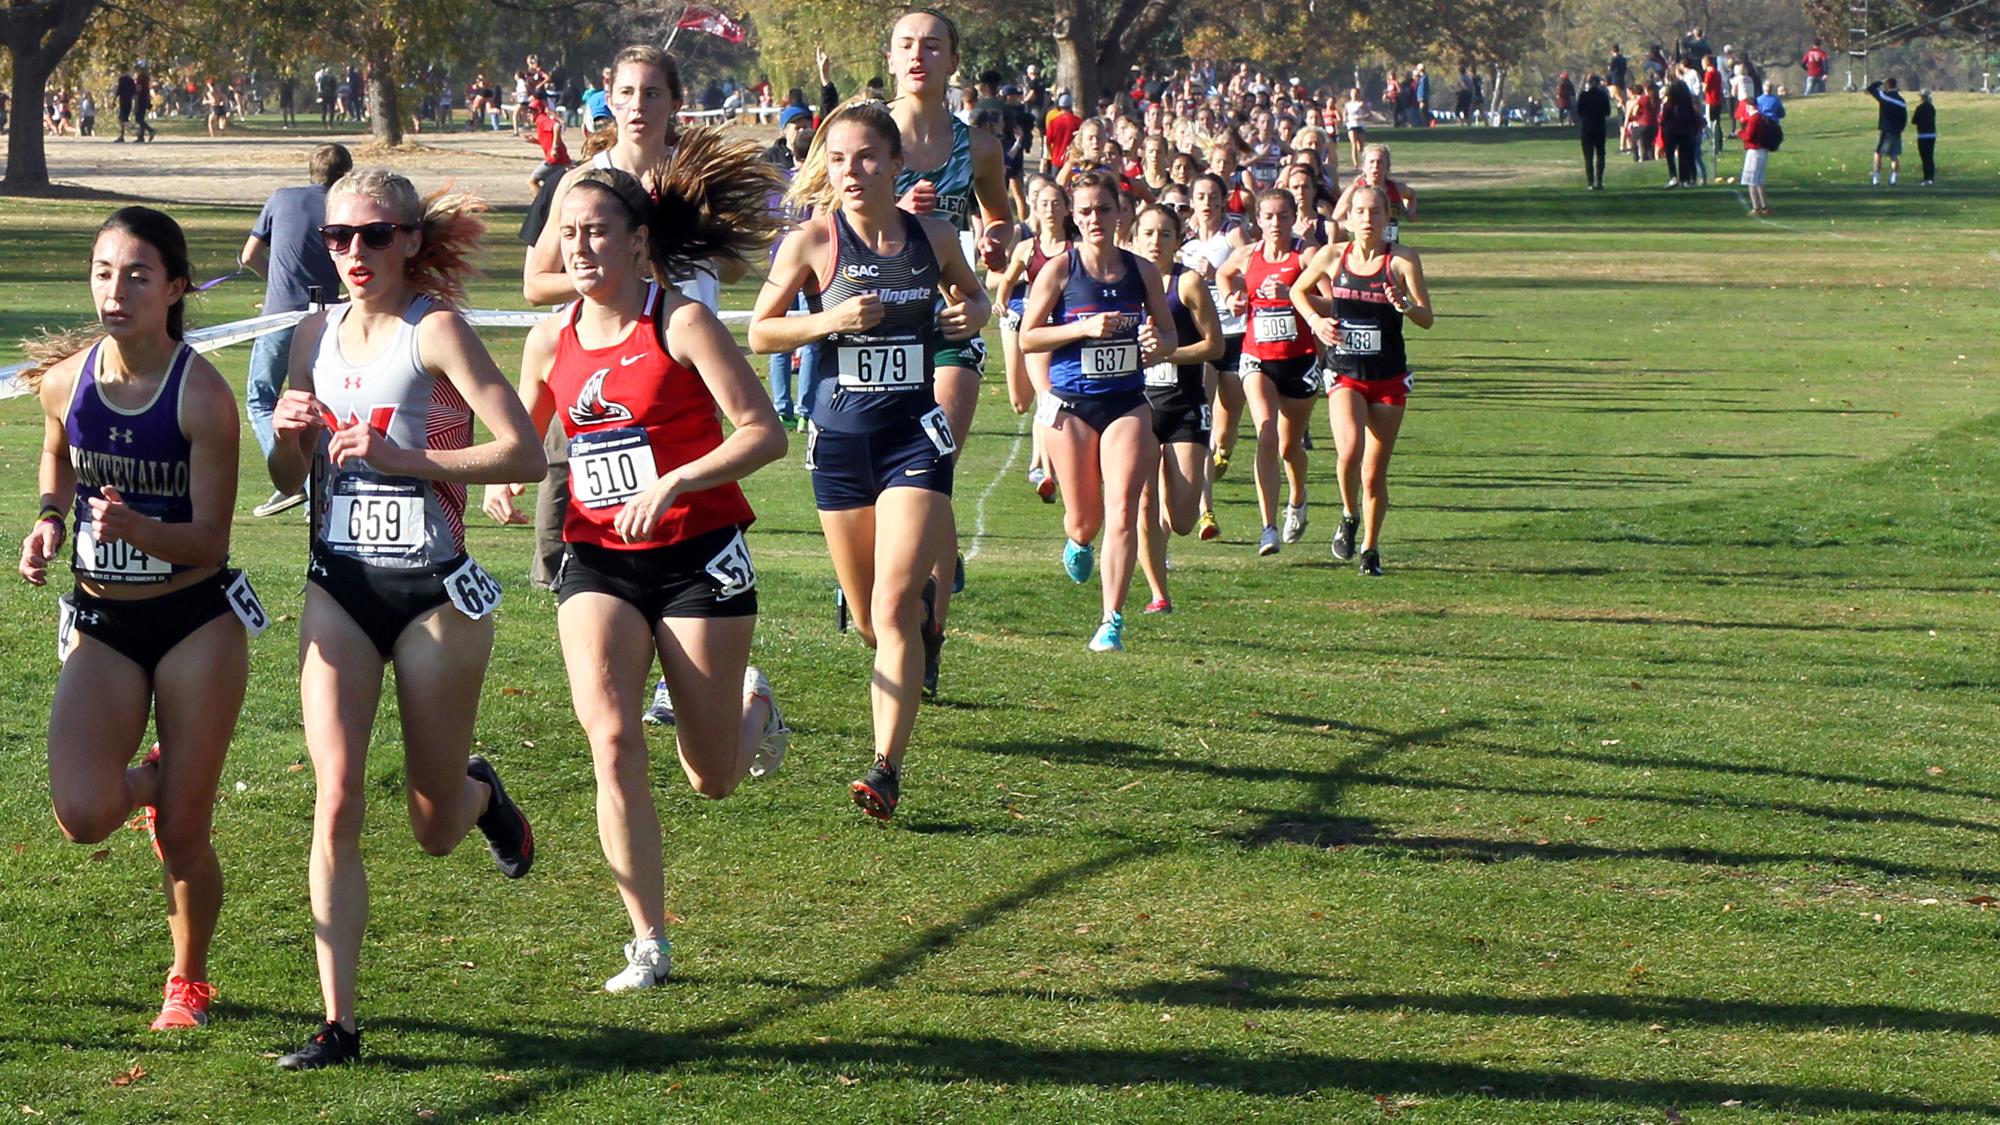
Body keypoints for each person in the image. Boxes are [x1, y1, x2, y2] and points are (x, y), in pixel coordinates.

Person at [483, 143, 789, 992]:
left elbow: (765, 431)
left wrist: (679, 478)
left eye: (594, 232)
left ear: (636, 242)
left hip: (699, 558)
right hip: (599, 559)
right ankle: (648, 941)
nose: (577, 249)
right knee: (612, 740)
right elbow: (527, 441)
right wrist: (508, 487)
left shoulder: (682, 322)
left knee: (711, 775)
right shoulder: (548, 341)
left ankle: (752, 708)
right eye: (563, 234)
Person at [264, 171, 546, 1069]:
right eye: (339, 237)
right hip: (339, 585)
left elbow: (526, 452)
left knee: (432, 825)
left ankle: (479, 794)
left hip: (434, 592)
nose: (354, 253)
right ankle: (338, 1023)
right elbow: (282, 479)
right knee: (336, 792)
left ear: (411, 241)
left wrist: (406, 456)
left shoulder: (439, 330)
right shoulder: (313, 331)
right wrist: (290, 433)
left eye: (375, 236)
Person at [17, 207, 260, 1034]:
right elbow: (56, 443)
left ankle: (188, 981)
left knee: (187, 831)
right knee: (84, 812)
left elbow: (211, 542)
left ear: (176, 287)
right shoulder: (68, 378)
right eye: (102, 271)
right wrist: (51, 515)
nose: (115, 290)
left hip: (194, 621)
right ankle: (153, 778)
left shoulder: (204, 396)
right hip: (104, 622)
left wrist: (139, 531)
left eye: (137, 275)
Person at [752, 99, 989, 817]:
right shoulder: (813, 243)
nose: (850, 171)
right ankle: (918, 615)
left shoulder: (936, 235)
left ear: (894, 164)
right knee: (867, 618)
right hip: (841, 444)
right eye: (837, 158)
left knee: (889, 610)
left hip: (915, 436)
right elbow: (762, 333)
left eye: (864, 157)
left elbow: (975, 301)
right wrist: (829, 318)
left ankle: (885, 769)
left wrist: (969, 313)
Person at [886, 6, 1015, 691]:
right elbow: (812, 209)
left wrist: (997, 240)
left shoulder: (980, 147)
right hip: (873, 324)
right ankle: (884, 584)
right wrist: (892, 215)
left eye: (932, 45)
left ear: (952, 60)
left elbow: (999, 215)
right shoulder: (862, 134)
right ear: (891, 57)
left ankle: (929, 621)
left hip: (949, 319)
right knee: (882, 477)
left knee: (933, 468)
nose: (918, 55)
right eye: (906, 44)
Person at [1019, 173, 1174, 650]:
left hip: (1126, 402)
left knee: (1123, 508)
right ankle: (1079, 540)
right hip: (1072, 406)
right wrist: (1081, 329)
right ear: (1072, 215)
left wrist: (1156, 345)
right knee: (1084, 519)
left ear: (1120, 213)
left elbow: (1168, 338)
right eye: (1083, 211)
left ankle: (1111, 619)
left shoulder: (1142, 271)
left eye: (1103, 209)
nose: (1093, 219)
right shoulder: (1060, 270)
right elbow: (1028, 337)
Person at [1291, 185, 1434, 575]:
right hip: (1345, 372)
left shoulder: (1402, 261)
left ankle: (1370, 547)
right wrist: (1317, 321)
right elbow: (1297, 290)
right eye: (1360, 212)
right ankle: (1349, 515)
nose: (1367, 220)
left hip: (1388, 377)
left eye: (1375, 212)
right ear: (1349, 218)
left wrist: (1404, 306)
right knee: (1349, 451)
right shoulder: (1333, 256)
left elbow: (1427, 317)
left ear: (1388, 218)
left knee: (1373, 472)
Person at [239, 143, 352, 516]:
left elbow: (249, 255)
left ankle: (298, 483)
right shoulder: (346, 208)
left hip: (280, 316)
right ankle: (323, 486)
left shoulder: (281, 198)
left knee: (261, 397)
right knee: (320, 406)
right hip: (331, 319)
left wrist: (272, 282)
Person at [1130, 203, 1222, 615]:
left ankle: (1166, 538)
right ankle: (1157, 593)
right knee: (1144, 500)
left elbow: (1215, 346)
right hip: (1138, 406)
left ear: (1177, 239)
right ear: (1134, 238)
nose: (1155, 242)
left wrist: (1169, 354)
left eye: (1164, 234)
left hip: (1185, 406)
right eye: (1147, 233)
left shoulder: (1188, 285)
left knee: (1182, 518)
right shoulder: (1122, 284)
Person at [1217, 189, 1320, 556]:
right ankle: (1268, 528)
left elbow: (1330, 300)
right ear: (1257, 220)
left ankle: (1298, 498)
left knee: (1291, 446)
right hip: (1256, 357)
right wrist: (1231, 298)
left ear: (1294, 218)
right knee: (1266, 435)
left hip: (1299, 359)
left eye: (1283, 216)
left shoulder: (1305, 256)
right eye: (1269, 217)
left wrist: (1293, 291)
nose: (1276, 223)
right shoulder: (1247, 255)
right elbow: (1222, 274)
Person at [1178, 172, 1248, 540]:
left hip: (1235, 333)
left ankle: (1224, 450)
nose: (1207, 202)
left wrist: (1222, 277)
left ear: (1223, 201)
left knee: (1227, 424)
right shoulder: (1183, 240)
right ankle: (1207, 511)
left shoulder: (1232, 236)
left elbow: (1252, 274)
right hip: (1203, 336)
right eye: (1200, 196)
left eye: (1213, 196)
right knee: (1203, 419)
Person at [994, 176, 1074, 500]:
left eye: (1057, 203)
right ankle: (1041, 465)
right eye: (1044, 204)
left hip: (1064, 331)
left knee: (1048, 396)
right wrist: (1001, 300)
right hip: (1034, 328)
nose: (1051, 210)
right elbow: (1007, 278)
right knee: (1021, 401)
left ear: (1068, 208)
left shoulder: (1075, 249)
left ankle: (1045, 469)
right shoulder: (1028, 248)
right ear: (1035, 210)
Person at [1734, 96, 1777, 216]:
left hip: (1754, 151)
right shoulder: (1762, 117)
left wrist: (1739, 133)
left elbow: (1749, 136)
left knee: (1751, 180)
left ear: (1748, 107)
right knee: (1759, 180)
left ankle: (1756, 207)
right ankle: (1764, 206)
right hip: (1762, 151)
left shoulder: (1754, 118)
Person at [1866, 77, 1907, 186]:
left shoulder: (1884, 96)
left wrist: (1880, 81)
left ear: (1887, 86)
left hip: (1885, 130)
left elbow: (1870, 89)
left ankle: (1876, 179)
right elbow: (1904, 118)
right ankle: (1893, 179)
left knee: (1878, 154)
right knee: (1894, 155)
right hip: (1896, 131)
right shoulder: (1902, 101)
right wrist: (1900, 129)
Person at [1576, 74, 1612, 190]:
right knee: (1600, 155)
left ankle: (1590, 182)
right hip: (1599, 127)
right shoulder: (1603, 96)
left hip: (1587, 128)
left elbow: (1579, 112)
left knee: (1588, 157)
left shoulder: (1583, 96)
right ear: (1597, 83)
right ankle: (1599, 181)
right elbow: (1607, 112)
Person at [1044, 92, 1081, 174]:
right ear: (1071, 106)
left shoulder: (1054, 121)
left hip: (1056, 160)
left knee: (1056, 184)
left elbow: (1048, 142)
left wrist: (1052, 155)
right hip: (1072, 160)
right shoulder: (1078, 121)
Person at [1913, 89, 1936, 186]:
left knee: (1924, 157)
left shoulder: (1919, 108)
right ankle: (1931, 177)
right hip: (1932, 135)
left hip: (1922, 135)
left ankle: (1926, 178)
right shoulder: (1932, 108)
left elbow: (1914, 120)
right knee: (1930, 157)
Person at [115, 68, 135, 142]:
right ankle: (122, 135)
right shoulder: (131, 80)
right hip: (129, 101)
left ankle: (133, 128)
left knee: (122, 119)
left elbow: (119, 90)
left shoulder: (122, 79)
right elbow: (134, 91)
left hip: (123, 101)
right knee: (123, 118)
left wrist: (114, 99)